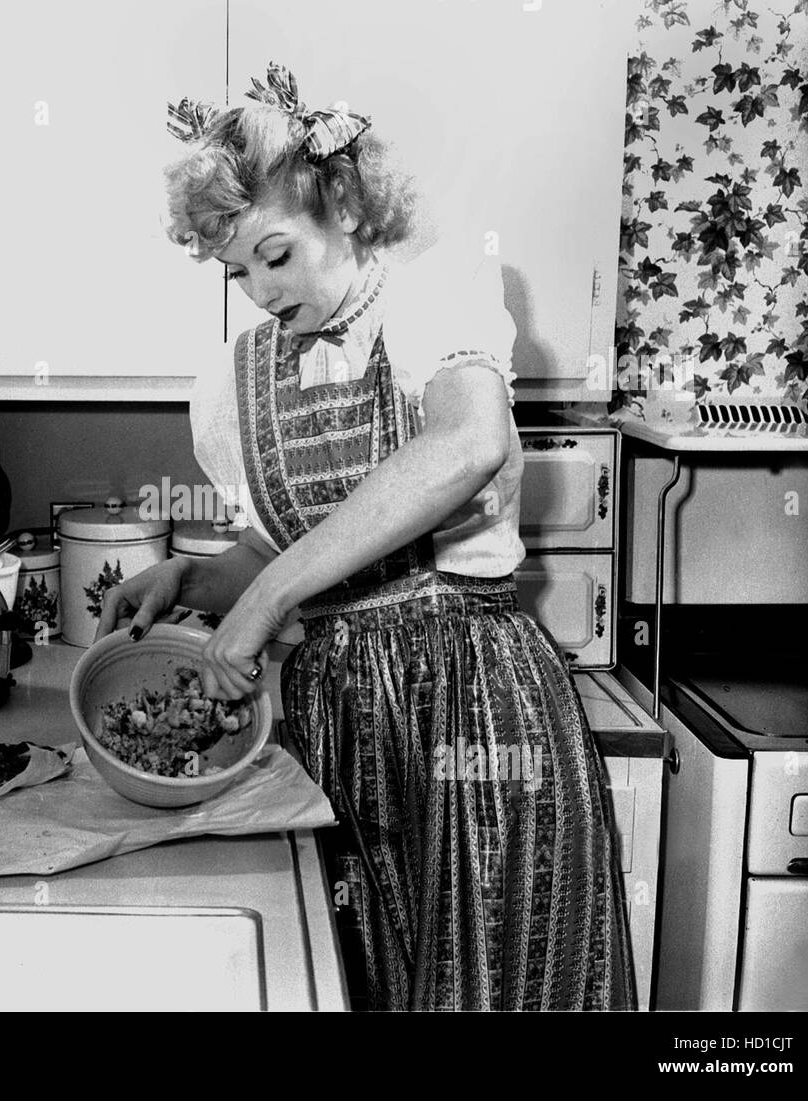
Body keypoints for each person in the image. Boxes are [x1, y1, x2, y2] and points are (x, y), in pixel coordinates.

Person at [96, 62, 635, 1012]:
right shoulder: (237, 379)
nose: (259, 291)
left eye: (275, 254)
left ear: (342, 205)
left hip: (474, 722)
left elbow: (468, 443)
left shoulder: (435, 295)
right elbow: (281, 556)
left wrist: (262, 604)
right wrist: (193, 577)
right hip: (340, 739)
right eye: (236, 271)